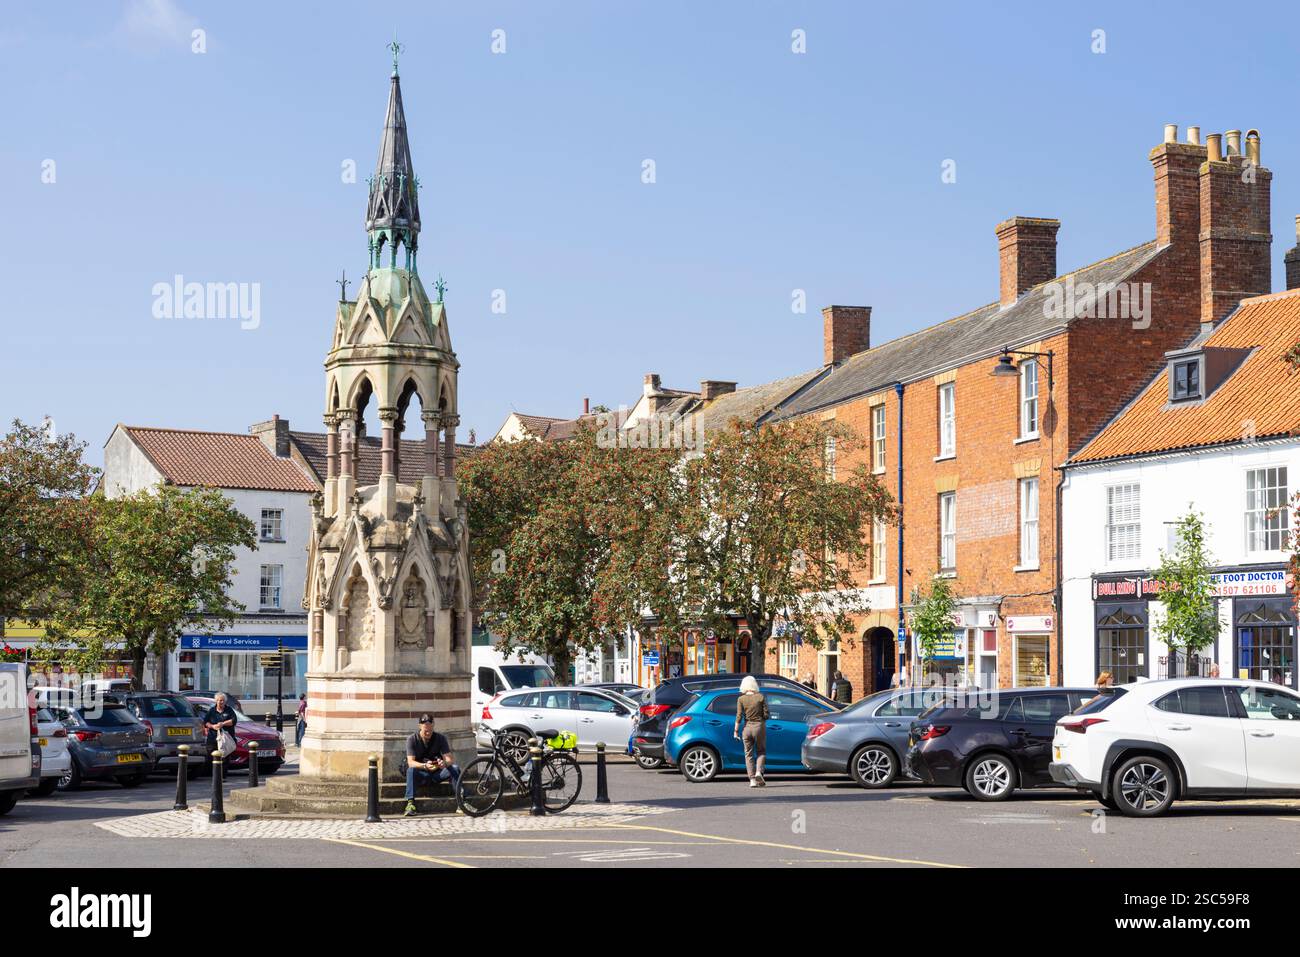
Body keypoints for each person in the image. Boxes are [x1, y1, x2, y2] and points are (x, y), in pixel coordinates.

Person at [404, 713, 461, 816]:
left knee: (455, 768)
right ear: (420, 726)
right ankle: (410, 803)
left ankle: (461, 802)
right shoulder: (412, 739)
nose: (428, 733)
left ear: (433, 725)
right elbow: (410, 762)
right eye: (426, 730)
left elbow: (449, 759)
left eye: (430, 730)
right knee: (410, 770)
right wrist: (424, 766)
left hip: (437, 774)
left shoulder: (440, 738)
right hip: (422, 775)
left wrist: (443, 763)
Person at [734, 675, 769, 788]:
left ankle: (752, 780)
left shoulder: (741, 699)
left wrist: (735, 731)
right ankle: (759, 772)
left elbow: (738, 716)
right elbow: (766, 714)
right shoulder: (760, 697)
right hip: (759, 727)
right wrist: (762, 717)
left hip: (746, 728)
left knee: (748, 754)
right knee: (761, 751)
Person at [203, 692, 238, 757]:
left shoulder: (229, 710)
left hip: (226, 740)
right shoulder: (212, 710)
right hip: (213, 740)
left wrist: (223, 724)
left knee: (225, 759)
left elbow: (233, 721)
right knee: (211, 759)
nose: (221, 702)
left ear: (225, 701)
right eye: (219, 700)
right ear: (216, 701)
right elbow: (205, 722)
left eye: (222, 700)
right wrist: (213, 726)